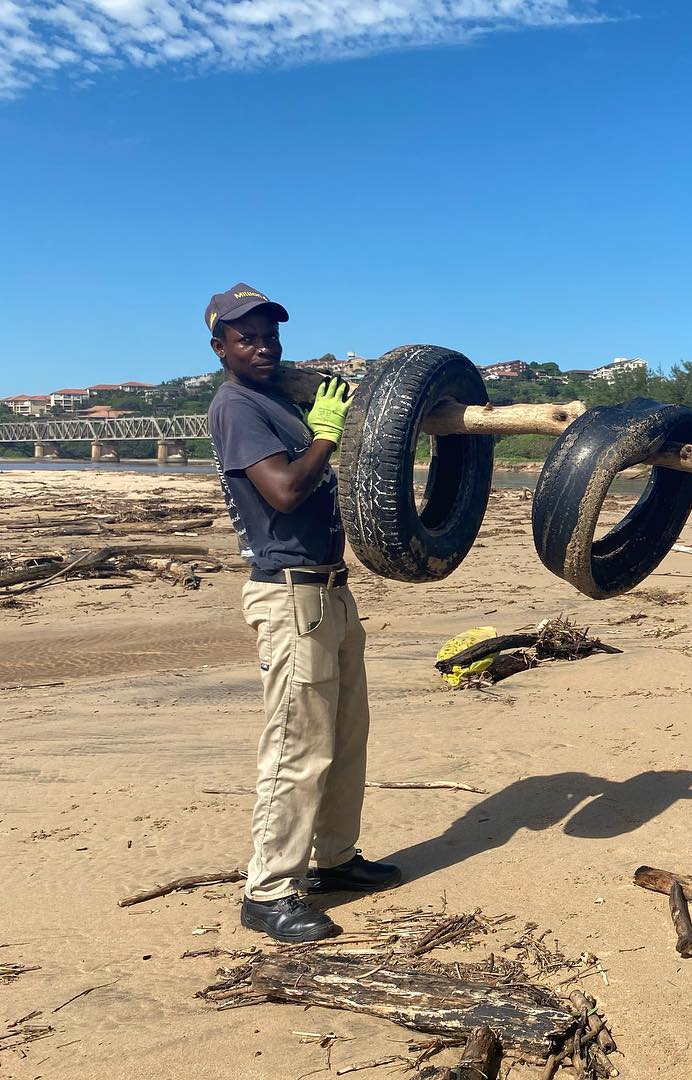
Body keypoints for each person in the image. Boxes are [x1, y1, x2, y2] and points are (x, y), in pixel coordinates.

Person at [205, 282, 400, 943]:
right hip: (289, 594)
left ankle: (334, 860)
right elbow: (285, 491)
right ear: (220, 347)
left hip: (329, 589)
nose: (262, 345)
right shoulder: (235, 406)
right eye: (246, 336)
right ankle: (268, 892)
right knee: (297, 747)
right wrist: (325, 433)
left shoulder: (272, 400)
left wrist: (327, 416)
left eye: (269, 334)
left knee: (345, 736)